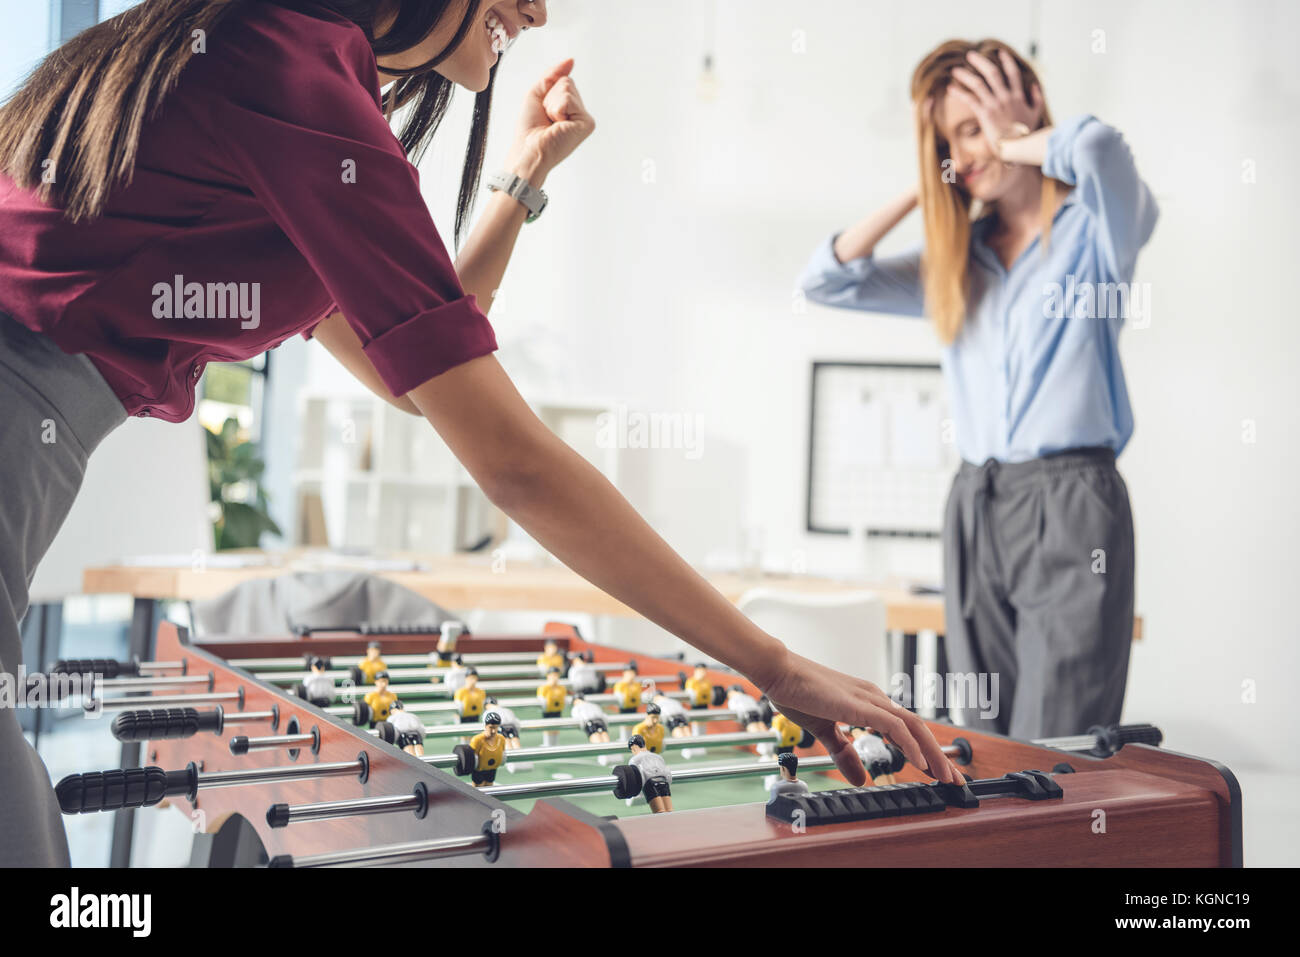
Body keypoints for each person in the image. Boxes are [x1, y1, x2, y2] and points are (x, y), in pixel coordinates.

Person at [0, 0, 961, 866]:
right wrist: (775, 663)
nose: (536, 12)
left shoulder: (289, 70)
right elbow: (509, 461)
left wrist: (523, 176)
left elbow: (410, 375)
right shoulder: (290, 71)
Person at [798, 39, 1155, 739]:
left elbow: (1103, 150)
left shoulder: (1095, 232)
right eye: (948, 138)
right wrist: (928, 182)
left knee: (1061, 740)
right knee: (983, 735)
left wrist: (1014, 141)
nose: (966, 152)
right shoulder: (954, 262)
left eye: (974, 127)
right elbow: (825, 280)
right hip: (975, 502)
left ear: (1025, 115)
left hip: (1073, 500)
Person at [626, 735, 673, 813]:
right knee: (669, 810)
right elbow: (667, 772)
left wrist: (639, 792)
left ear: (634, 747)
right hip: (664, 783)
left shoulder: (634, 760)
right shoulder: (658, 757)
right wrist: (668, 783)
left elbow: (637, 777)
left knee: (659, 811)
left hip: (650, 784)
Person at [468, 713, 506, 787]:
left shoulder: (501, 739)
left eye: (496, 728)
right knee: (478, 788)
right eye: (491, 727)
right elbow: (471, 759)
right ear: (485, 726)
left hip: (492, 769)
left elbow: (502, 753)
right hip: (479, 770)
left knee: (489, 786)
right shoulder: (477, 740)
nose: (493, 731)